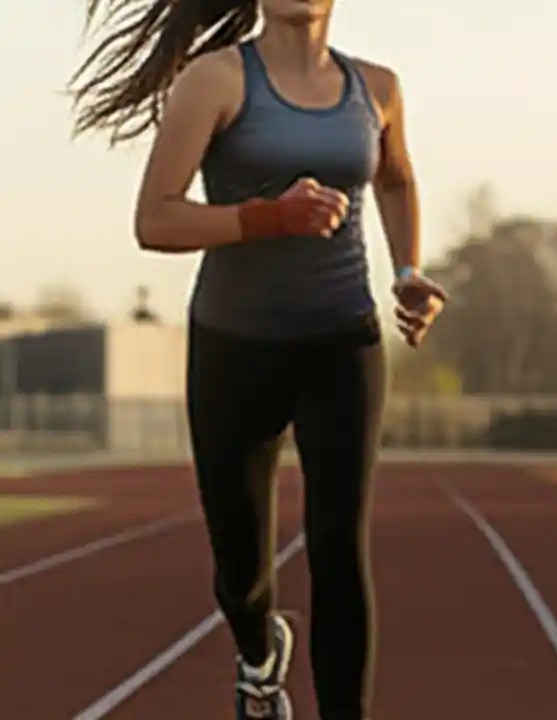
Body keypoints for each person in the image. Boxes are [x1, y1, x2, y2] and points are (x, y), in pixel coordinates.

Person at [70, 1, 446, 718]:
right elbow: (156, 219)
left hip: (343, 340)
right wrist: (271, 216)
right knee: (241, 574)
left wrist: (406, 272)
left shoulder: (378, 89)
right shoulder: (214, 80)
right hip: (235, 346)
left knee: (339, 550)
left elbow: (396, 180)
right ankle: (258, 651)